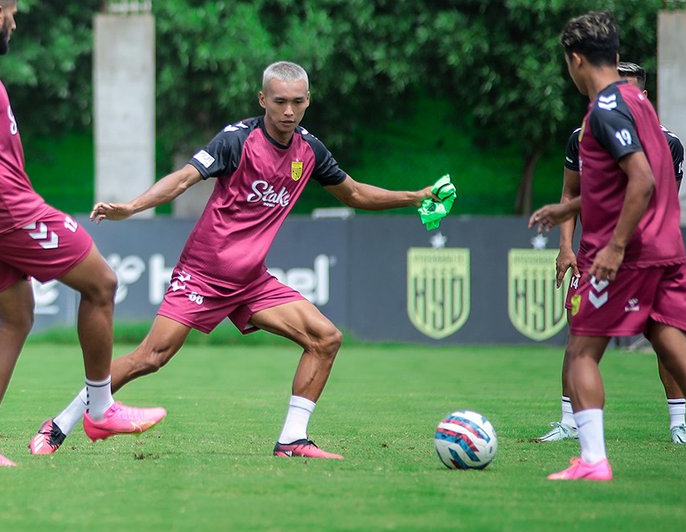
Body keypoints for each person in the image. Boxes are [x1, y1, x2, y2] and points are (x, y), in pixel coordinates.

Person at [35, 60, 442, 460]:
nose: (288, 111)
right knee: (151, 357)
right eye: (279, 101)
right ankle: (59, 425)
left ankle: (292, 440)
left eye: (297, 102)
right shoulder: (236, 140)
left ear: (307, 101)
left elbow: (354, 194)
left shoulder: (309, 150)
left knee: (325, 339)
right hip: (203, 273)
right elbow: (182, 179)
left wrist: (416, 197)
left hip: (251, 281)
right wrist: (132, 206)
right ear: (262, 98)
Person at [0, 0, 164, 467]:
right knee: (103, 284)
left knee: (17, 318)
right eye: (15, 17)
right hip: (6, 210)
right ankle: (100, 408)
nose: (15, 27)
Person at [529, 12, 686, 480]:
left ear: (576, 60)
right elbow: (630, 180)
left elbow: (640, 180)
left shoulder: (604, 110)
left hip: (626, 254)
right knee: (669, 341)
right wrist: (570, 208)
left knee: (581, 352)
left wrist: (615, 247)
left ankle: (593, 459)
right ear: (616, 57)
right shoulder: (639, 102)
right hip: (666, 247)